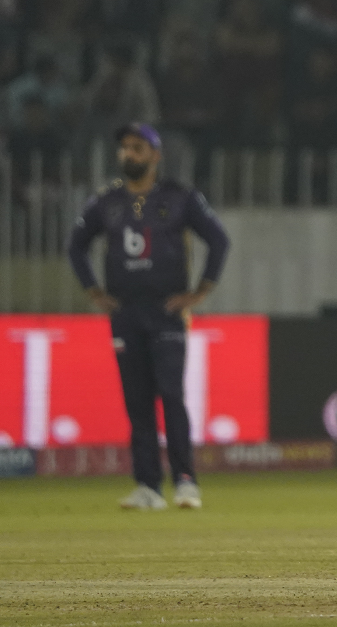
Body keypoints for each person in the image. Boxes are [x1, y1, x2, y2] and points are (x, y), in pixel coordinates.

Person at [67, 123, 230, 511]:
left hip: (166, 311)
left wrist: (200, 292)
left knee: (171, 395)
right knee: (137, 402)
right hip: (125, 312)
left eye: (137, 148)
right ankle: (148, 487)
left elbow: (219, 240)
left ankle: (185, 481)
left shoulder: (179, 198)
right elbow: (76, 246)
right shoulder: (106, 201)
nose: (129, 154)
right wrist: (94, 292)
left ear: (155, 155)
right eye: (125, 148)